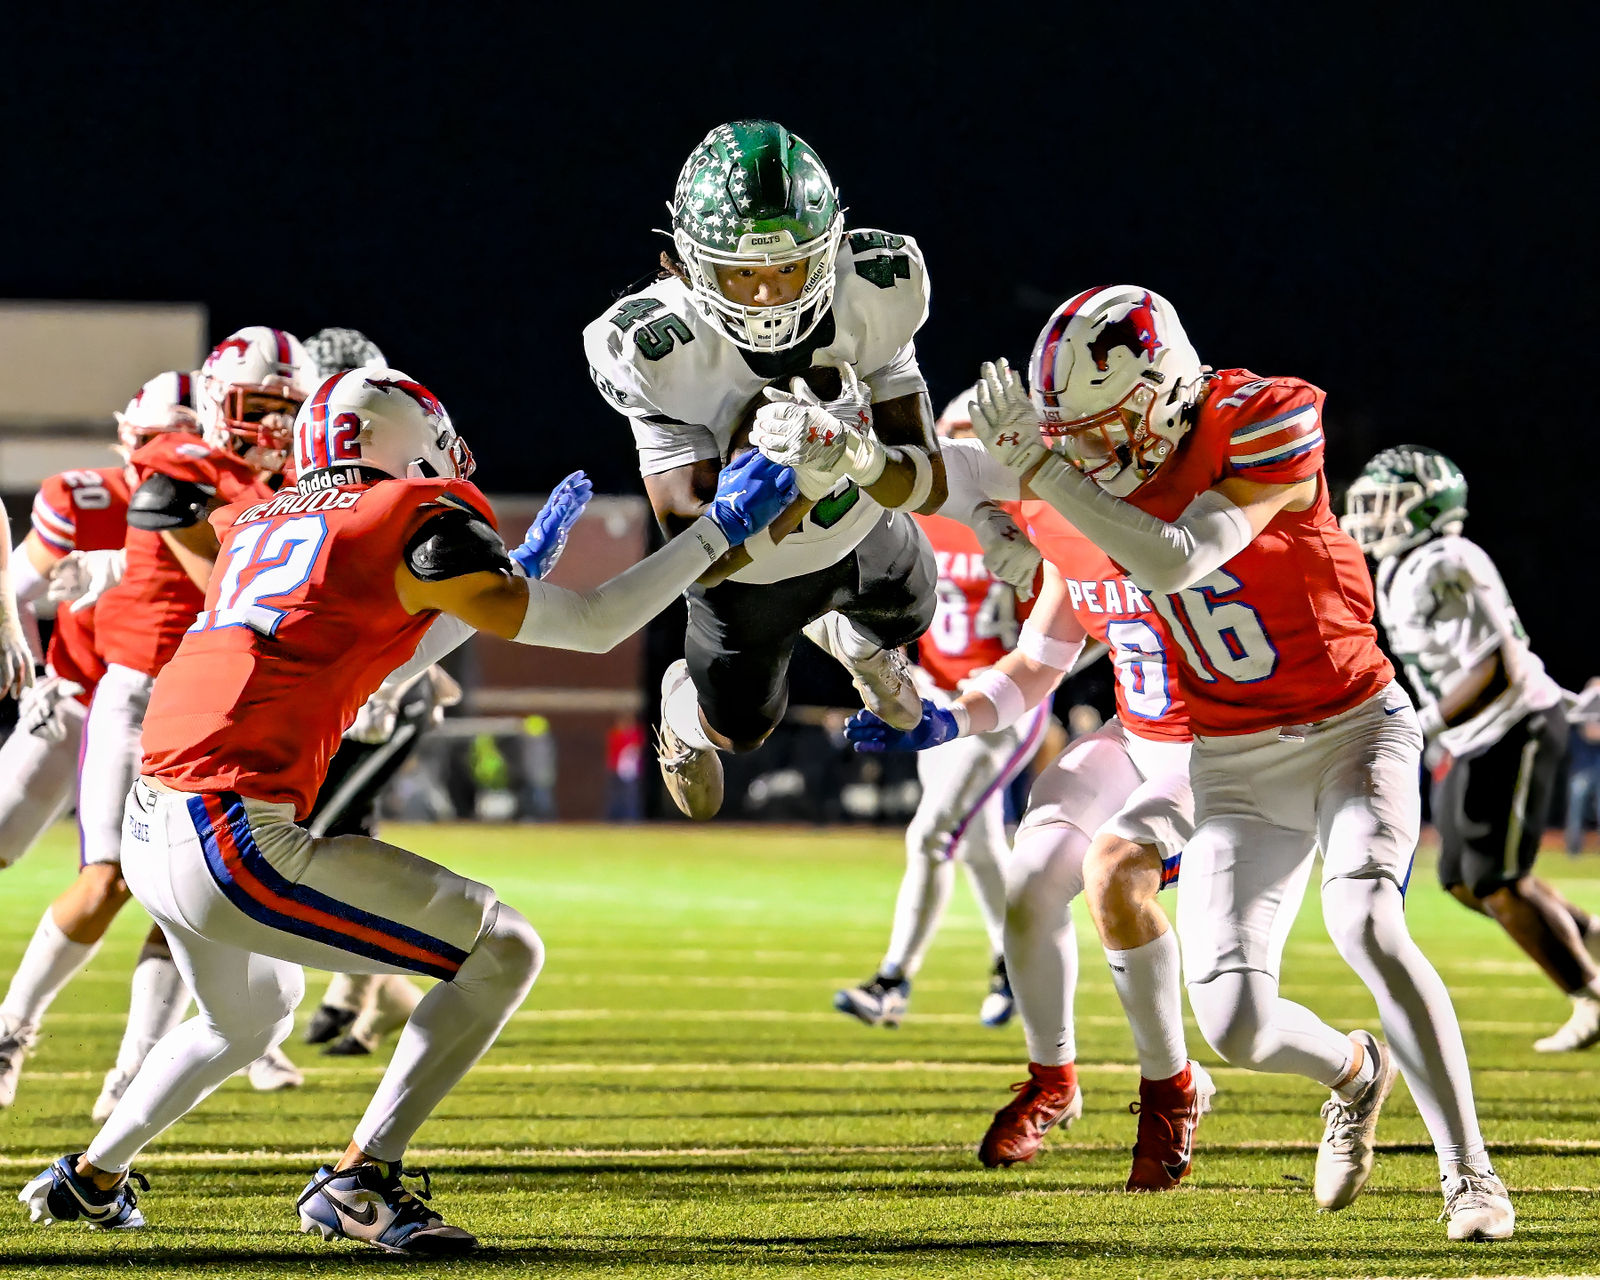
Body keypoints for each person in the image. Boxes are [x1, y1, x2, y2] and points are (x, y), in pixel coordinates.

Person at [17, 363, 796, 1253]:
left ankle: (91, 1178)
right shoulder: (401, 512)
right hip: (230, 832)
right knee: (502, 949)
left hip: (155, 817)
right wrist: (720, 529)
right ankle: (360, 1180)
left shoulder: (260, 524)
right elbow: (588, 625)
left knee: (250, 1013)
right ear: (404, 442)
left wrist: (492, 592)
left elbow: (364, 661)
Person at [951, 286, 1509, 1239]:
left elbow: (1175, 558)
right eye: (1068, 434)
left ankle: (1470, 1174)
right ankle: (1355, 1072)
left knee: (1365, 921)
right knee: (1235, 1026)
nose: (1086, 448)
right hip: (1233, 761)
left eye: (1100, 427)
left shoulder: (1263, 418)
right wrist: (842, 452)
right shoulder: (1089, 483)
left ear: (1161, 390)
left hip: (1351, 727)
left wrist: (1044, 473)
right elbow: (943, 481)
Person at [584, 120, 995, 821]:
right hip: (749, 575)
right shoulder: (652, 348)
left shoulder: (876, 291)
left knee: (914, 608)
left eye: (787, 269)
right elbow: (698, 557)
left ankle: (854, 642)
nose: (768, 298)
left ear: (829, 248)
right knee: (741, 730)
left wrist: (854, 453)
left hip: (857, 524)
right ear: (691, 262)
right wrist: (788, 482)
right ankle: (683, 717)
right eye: (744, 274)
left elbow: (919, 469)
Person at [848, 403, 1213, 1189]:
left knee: (1234, 1005)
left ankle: (1175, 1089)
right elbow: (1037, 664)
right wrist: (943, 718)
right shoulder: (1062, 521)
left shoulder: (1191, 512)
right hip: (1138, 731)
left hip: (1226, 746)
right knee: (1031, 875)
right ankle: (1054, 1081)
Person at [0, 332, 313, 1121]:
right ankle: (10, 1032)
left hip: (220, 705)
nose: (276, 427)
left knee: (185, 898)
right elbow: (224, 567)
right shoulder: (186, 460)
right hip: (139, 694)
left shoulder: (283, 480)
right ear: (215, 404)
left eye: (288, 409)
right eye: (261, 407)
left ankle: (134, 1069)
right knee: (104, 879)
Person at [1344, 447, 1600, 1052]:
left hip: (1514, 724)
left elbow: (1500, 666)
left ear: (1426, 506)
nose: (1373, 515)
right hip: (1472, 736)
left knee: (1498, 880)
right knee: (1460, 879)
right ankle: (1585, 936)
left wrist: (1422, 723)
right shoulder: (1400, 566)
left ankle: (1589, 993)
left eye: (1387, 503)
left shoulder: (1447, 558)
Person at [833, 390, 1049, 1032]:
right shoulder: (922, 515)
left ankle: (891, 981)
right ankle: (1013, 965)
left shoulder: (1029, 516)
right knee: (977, 843)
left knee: (931, 833)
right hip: (936, 691)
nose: (964, 458)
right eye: (954, 441)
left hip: (999, 699)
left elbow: (1073, 622)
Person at [1565, 683, 1600, 855]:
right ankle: (1574, 848)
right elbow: (1589, 733)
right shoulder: (1582, 707)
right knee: (1577, 805)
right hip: (1582, 768)